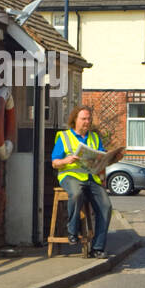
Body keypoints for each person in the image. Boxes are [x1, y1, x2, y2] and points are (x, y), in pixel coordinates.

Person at [50, 105, 114, 257]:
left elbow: (101, 159)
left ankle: (97, 248)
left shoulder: (95, 137)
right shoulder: (64, 137)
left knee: (106, 206)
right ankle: (72, 231)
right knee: (77, 193)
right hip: (70, 175)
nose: (87, 122)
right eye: (83, 118)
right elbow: (54, 163)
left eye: (89, 119)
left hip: (91, 177)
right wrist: (66, 160)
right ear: (75, 120)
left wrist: (110, 159)